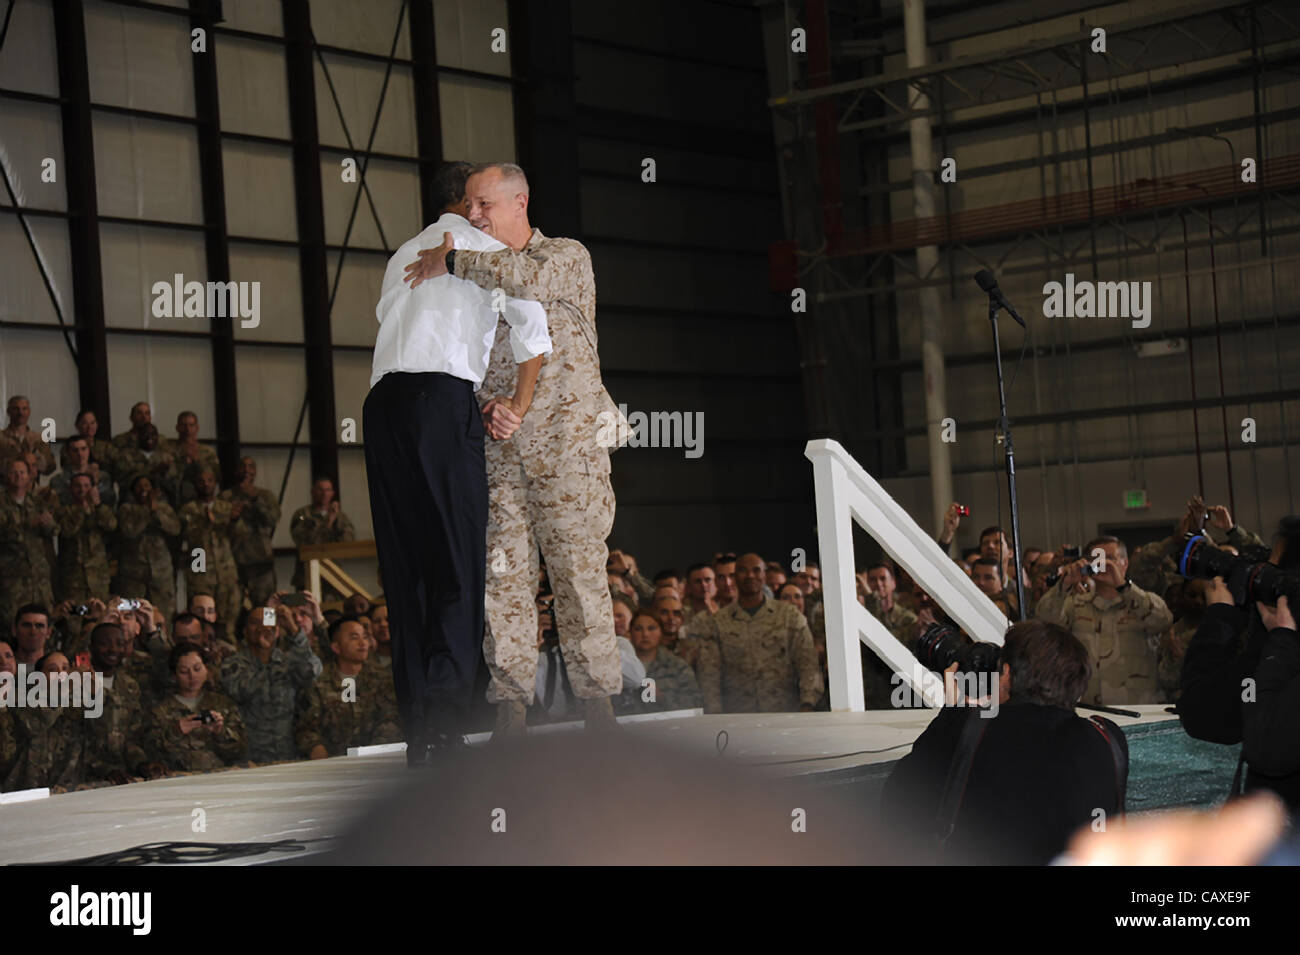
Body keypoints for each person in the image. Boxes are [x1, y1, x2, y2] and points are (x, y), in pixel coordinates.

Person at [405, 161, 624, 739]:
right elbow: (459, 357)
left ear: (520, 202)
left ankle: (598, 704)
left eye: (484, 205)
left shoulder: (564, 257)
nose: (472, 215)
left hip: (567, 447)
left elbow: (524, 280)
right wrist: (480, 405)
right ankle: (510, 708)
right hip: (501, 448)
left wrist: (450, 258)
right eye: (469, 206)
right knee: (502, 577)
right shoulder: (473, 283)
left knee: (577, 572)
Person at [369, 161, 550, 758]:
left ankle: (419, 724)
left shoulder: (403, 251)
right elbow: (534, 334)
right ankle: (446, 720)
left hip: (382, 407)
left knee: (407, 566)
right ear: (466, 204)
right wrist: (518, 405)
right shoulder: (483, 248)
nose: (480, 213)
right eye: (476, 203)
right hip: (439, 400)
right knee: (457, 561)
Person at [880, 620, 1127, 864]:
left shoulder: (966, 728)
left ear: (1007, 673)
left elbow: (896, 802)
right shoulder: (1108, 739)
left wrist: (955, 713)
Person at [1034, 536, 1173, 705]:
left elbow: (1163, 620)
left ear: (1125, 563)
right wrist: (1064, 585)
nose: (1104, 564)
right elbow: (1046, 623)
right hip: (1089, 709)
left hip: (1139, 708)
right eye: (1097, 559)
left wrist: (1123, 586)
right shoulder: (1074, 605)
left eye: (1111, 559)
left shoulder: (1144, 601)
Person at [694, 553, 822, 713]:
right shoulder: (717, 622)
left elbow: (808, 664)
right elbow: (709, 675)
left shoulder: (789, 616)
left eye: (756, 570)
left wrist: (808, 704)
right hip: (738, 717)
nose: (750, 576)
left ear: (764, 575)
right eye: (743, 571)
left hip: (786, 714)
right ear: (734, 577)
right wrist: (714, 716)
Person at [221, 605, 321, 763]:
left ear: (277, 631)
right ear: (245, 631)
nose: (262, 628)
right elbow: (242, 691)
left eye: (267, 622)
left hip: (288, 754)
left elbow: (312, 671)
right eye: (255, 623)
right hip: (249, 758)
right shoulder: (232, 664)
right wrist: (267, 657)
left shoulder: (289, 661)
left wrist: (294, 631)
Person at [295, 616, 402, 759]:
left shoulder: (382, 679)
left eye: (365, 637)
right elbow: (306, 729)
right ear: (336, 647)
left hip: (375, 762)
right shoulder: (318, 683)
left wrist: (373, 753)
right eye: (354, 638)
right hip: (331, 766)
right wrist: (319, 751)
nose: (363, 643)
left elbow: (391, 721)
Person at [144, 643, 247, 772]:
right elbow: (150, 754)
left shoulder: (223, 704)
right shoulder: (160, 711)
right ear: (174, 675)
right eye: (184, 672)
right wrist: (175, 732)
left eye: (197, 669)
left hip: (218, 778)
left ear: (206, 669)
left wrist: (220, 732)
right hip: (176, 781)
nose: (192, 676)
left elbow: (240, 750)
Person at [80, 622, 161, 784]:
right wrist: (106, 770)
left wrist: (141, 764)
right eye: (105, 643)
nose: (113, 650)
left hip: (123, 777)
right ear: (91, 647)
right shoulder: (79, 684)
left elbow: (132, 736)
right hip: (83, 778)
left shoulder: (129, 686)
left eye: (119, 644)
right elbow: (76, 742)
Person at [180, 467, 247, 639]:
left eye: (209, 480)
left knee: (228, 613)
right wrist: (207, 521)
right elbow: (187, 535)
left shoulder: (225, 507)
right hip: (199, 558)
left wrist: (233, 520)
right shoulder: (189, 509)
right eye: (201, 481)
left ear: (215, 483)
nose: (206, 485)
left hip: (225, 566)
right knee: (201, 608)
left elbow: (240, 535)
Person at [0, 458, 55, 641]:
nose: (18, 476)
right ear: (6, 476)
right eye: (14, 472)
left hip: (38, 576)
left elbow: (54, 530)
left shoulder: (36, 501)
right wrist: (25, 526)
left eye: (22, 472)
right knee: (11, 624)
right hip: (11, 577)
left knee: (43, 622)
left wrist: (48, 524)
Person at [115, 475, 181, 622]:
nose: (143, 489)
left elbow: (175, 529)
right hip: (133, 575)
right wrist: (147, 512)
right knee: (131, 617)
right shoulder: (126, 509)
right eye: (139, 486)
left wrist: (156, 511)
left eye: (147, 485)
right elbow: (129, 532)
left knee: (164, 615)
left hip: (161, 572)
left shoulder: (163, 508)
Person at [218, 456, 281, 606]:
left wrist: (255, 499)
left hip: (261, 561)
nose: (246, 470)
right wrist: (232, 517)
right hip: (233, 561)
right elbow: (218, 527)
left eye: (251, 466)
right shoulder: (225, 497)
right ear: (236, 471)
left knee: (267, 606)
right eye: (242, 466)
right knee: (232, 607)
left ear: (255, 471)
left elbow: (273, 519)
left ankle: (270, 629)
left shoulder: (266, 496)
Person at [54, 473, 116, 604]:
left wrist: (97, 505)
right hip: (73, 577)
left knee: (98, 615)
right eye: (78, 486)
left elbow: (111, 525)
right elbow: (67, 531)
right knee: (75, 616)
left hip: (98, 576)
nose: (82, 490)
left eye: (86, 486)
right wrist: (82, 509)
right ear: (70, 489)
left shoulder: (101, 509)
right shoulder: (63, 511)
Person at [289, 476, 356, 598]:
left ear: (332, 493)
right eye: (320, 489)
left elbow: (348, 542)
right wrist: (327, 523)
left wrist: (334, 520)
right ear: (313, 491)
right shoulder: (302, 514)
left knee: (333, 611)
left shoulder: (340, 517)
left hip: (333, 574)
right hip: (305, 575)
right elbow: (302, 541)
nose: (324, 493)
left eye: (328, 490)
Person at [628, 610, 702, 711]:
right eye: (638, 629)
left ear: (661, 633)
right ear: (630, 633)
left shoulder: (677, 667)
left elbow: (694, 704)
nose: (645, 634)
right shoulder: (621, 667)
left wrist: (662, 698)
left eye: (651, 628)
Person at [51, 435, 115, 508]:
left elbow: (110, 501)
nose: (80, 454)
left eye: (83, 449)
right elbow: (61, 502)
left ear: (89, 450)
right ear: (68, 453)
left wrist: (95, 483)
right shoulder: (58, 480)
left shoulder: (103, 477)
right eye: (75, 450)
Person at [0, 395, 55, 477]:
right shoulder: (1, 437)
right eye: (16, 409)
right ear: (8, 411)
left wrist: (34, 453)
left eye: (24, 409)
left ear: (29, 411)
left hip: (32, 487)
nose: (20, 413)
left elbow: (48, 468)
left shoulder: (40, 438)